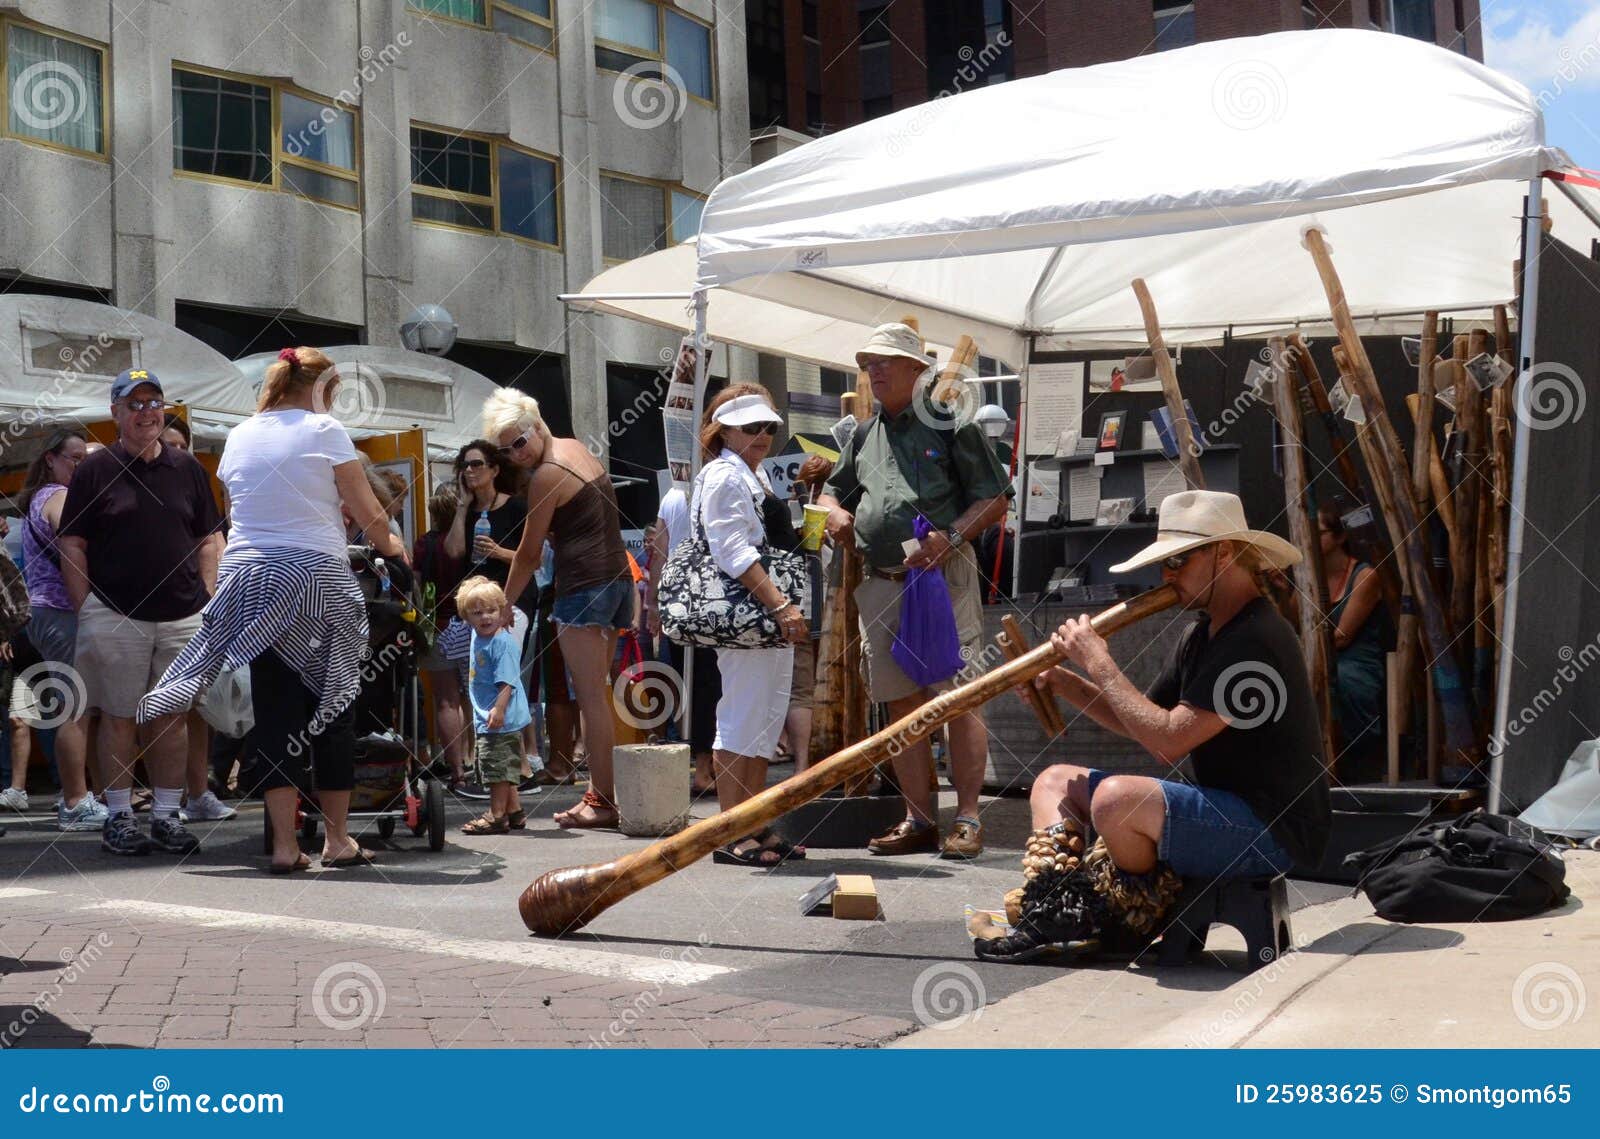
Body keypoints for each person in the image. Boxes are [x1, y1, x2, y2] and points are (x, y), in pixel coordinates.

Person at [985, 491, 1332, 962]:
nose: (1167, 576)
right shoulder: (1201, 634)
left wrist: (1099, 661)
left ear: (1224, 553)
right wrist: (1065, 682)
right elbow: (1142, 718)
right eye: (1164, 564)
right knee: (1054, 782)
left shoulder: (1257, 641)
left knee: (1115, 800)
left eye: (1178, 562)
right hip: (1219, 810)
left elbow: (1167, 741)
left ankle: (1133, 913)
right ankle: (1058, 907)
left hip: (1270, 830)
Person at [138, 348, 408, 873]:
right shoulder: (324, 429)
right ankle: (336, 840)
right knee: (334, 708)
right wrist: (395, 553)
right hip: (316, 576)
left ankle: (285, 846)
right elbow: (368, 510)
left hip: (253, 580)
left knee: (277, 714)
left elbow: (240, 513)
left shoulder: (239, 435)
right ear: (324, 387)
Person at [818, 323, 1012, 859]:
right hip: (883, 581)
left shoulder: (953, 425)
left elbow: (996, 499)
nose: (874, 371)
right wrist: (833, 513)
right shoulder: (863, 435)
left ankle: (967, 818)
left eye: (885, 362)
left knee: (957, 697)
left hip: (942, 578)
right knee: (902, 705)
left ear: (916, 369)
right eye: (869, 363)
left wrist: (951, 537)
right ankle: (920, 819)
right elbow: (832, 493)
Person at [59, 369, 225, 856]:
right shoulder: (95, 469)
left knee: (173, 717)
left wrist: (207, 597)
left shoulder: (187, 468)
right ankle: (119, 816)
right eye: (134, 404)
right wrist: (86, 606)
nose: (147, 412)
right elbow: (72, 542)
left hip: (182, 615)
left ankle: (167, 816)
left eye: (154, 403)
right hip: (115, 612)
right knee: (118, 718)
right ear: (115, 413)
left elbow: (209, 538)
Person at [492, 388, 631, 829]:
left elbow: (528, 555)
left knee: (590, 699)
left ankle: (602, 801)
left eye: (519, 442)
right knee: (596, 698)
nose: (516, 454)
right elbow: (582, 523)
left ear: (537, 426)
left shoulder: (546, 474)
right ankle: (604, 795)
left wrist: (504, 606)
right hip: (616, 581)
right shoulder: (575, 449)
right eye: (506, 450)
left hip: (585, 587)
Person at [687, 386, 809, 865]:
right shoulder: (725, 476)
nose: (762, 435)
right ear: (724, 432)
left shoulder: (748, 473)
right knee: (741, 720)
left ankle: (754, 824)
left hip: (761, 616)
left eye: (768, 427)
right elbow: (732, 550)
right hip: (750, 613)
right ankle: (730, 831)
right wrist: (780, 605)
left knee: (763, 721)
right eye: (750, 427)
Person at [8, 429, 106, 830]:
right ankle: (74, 802)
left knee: (85, 707)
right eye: (75, 458)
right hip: (62, 611)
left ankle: (94, 795)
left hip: (50, 612)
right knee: (76, 706)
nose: (82, 466)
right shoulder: (60, 496)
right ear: (51, 459)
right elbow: (84, 544)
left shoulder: (42, 496)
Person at [439, 439, 539, 791]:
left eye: (477, 464)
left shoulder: (516, 507)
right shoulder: (468, 513)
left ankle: (520, 768)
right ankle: (508, 770)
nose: (470, 471)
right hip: (479, 607)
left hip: (512, 601)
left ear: (495, 469)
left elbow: (534, 558)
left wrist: (498, 552)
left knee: (504, 675)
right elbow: (454, 552)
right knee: (484, 679)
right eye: (465, 465)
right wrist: (462, 508)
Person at [646, 484, 718, 796]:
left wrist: (653, 603)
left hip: (677, 601)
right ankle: (705, 766)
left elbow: (659, 554)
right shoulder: (717, 484)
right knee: (710, 686)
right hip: (712, 599)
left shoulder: (672, 496)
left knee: (688, 685)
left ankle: (700, 763)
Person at [455, 576, 533, 835]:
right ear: (467, 617)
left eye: (491, 610)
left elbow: (507, 681)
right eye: (477, 613)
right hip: (488, 716)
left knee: (497, 769)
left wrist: (499, 709)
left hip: (499, 716)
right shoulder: (479, 636)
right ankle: (514, 811)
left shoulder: (501, 643)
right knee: (501, 765)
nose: (485, 617)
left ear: (502, 611)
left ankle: (496, 815)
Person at [1318, 501, 1387, 779]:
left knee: (1342, 681)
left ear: (1339, 537)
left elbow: (1342, 637)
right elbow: (1293, 621)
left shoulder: (1364, 576)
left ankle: (1359, 764)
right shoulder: (1311, 577)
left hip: (1354, 661)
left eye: (1319, 533)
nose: (1311, 541)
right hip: (1320, 657)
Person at [414, 483, 470, 788]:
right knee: (475, 698)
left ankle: (457, 770)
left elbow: (416, 587)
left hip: (437, 626)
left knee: (447, 702)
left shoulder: (425, 544)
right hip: (471, 623)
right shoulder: (471, 538)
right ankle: (478, 762)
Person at [784, 454, 833, 774]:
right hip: (828, 605)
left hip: (795, 604)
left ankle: (803, 765)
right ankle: (820, 761)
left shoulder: (787, 511)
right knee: (826, 683)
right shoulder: (834, 511)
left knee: (800, 688)